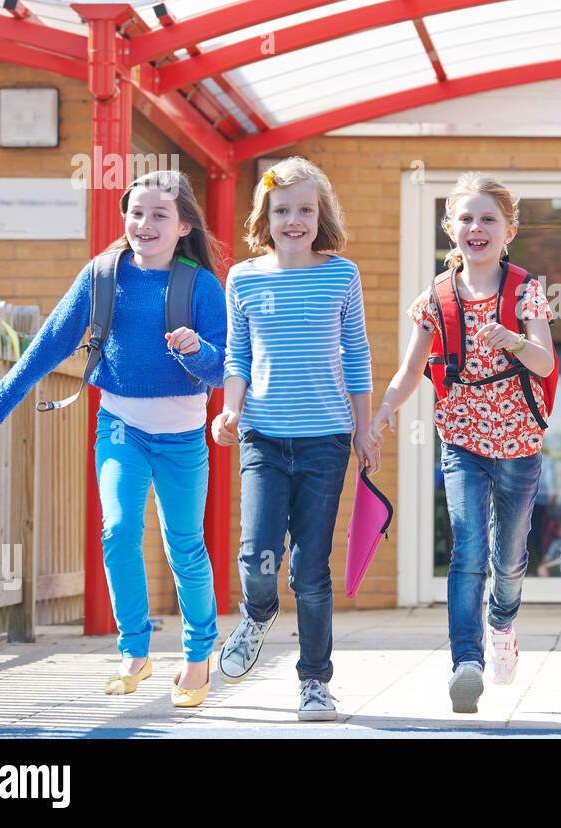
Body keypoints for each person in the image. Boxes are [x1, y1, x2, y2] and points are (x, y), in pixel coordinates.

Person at [0, 170, 227, 707]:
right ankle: (135, 651)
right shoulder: (102, 276)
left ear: (184, 225)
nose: (144, 223)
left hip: (183, 436)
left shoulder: (199, 285)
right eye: (135, 212)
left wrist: (195, 350)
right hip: (120, 427)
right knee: (117, 531)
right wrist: (3, 397)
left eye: (160, 214)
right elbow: (52, 340)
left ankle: (198, 656)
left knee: (184, 547)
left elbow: (224, 369)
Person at [369, 172, 555, 713]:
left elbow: (544, 363)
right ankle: (465, 661)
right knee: (468, 550)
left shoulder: (526, 290)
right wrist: (383, 409)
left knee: (511, 556)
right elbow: (410, 371)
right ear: (450, 227)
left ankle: (501, 623)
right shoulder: (435, 296)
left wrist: (516, 339)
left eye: (488, 219)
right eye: (466, 218)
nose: (477, 227)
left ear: (509, 230)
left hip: (519, 440)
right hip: (462, 443)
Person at [211, 156, 377, 722]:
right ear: (266, 216)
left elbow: (357, 356)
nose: (294, 220)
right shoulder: (244, 278)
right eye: (283, 210)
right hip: (261, 438)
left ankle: (314, 683)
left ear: (321, 214)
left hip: (325, 441)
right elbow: (236, 355)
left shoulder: (342, 276)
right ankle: (257, 614)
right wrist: (229, 410)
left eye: (306, 209)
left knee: (310, 569)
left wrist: (365, 430)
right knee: (256, 556)